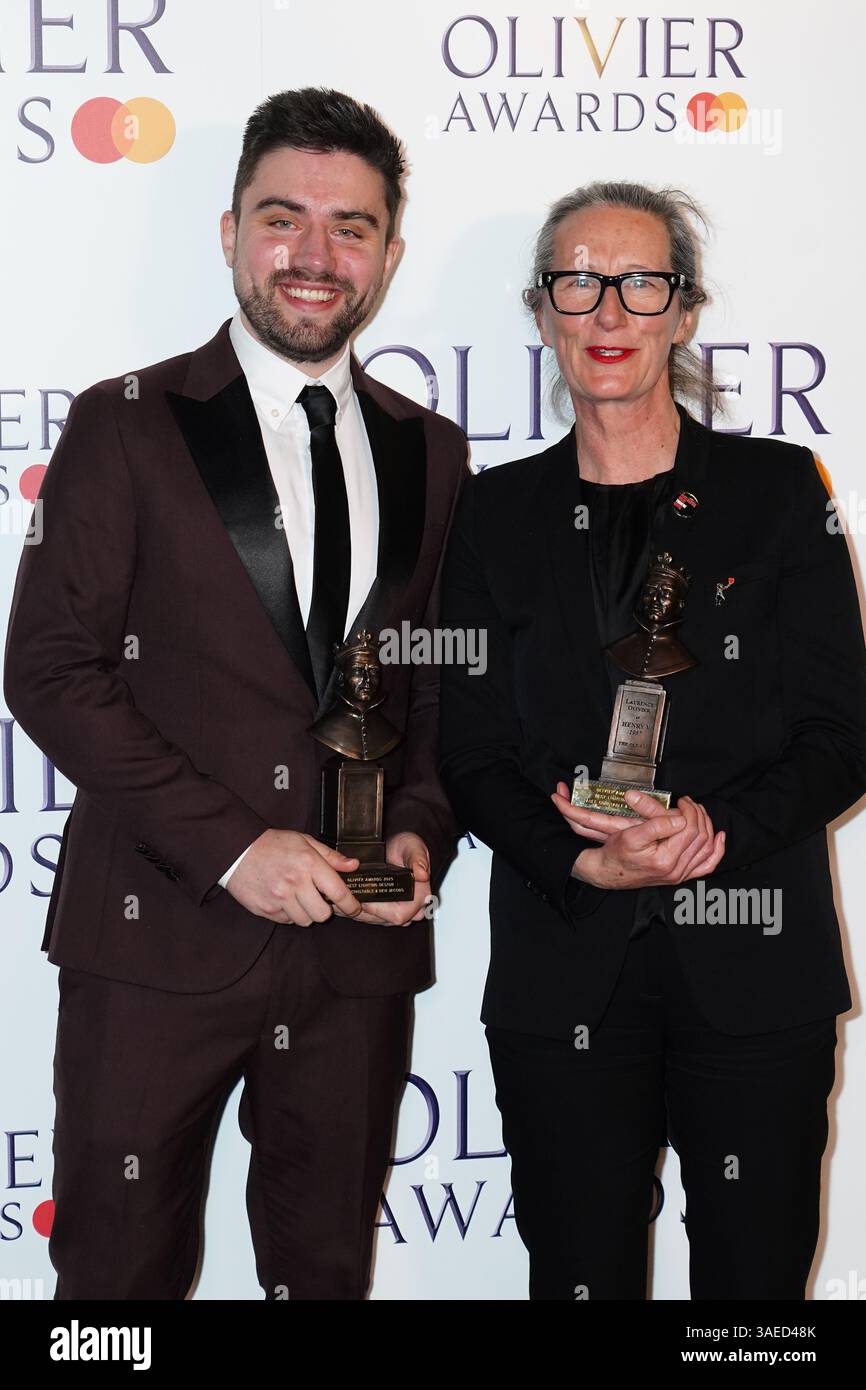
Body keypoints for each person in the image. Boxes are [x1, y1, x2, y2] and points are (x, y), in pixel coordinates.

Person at [3, 86, 468, 1300]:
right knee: (113, 1280)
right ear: (228, 233)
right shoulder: (127, 422)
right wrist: (233, 848)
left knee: (322, 1272)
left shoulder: (433, 446)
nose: (314, 256)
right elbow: (49, 667)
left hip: (355, 961)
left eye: (350, 227)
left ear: (389, 255)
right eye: (283, 218)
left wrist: (418, 829)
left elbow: (428, 677)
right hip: (159, 932)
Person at [438, 180, 866, 1300]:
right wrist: (576, 852)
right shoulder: (492, 514)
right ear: (541, 313)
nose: (607, 311)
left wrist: (712, 829)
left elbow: (841, 730)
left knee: (753, 1295)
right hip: (561, 957)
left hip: (752, 959)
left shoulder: (778, 491)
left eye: (640, 282)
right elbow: (469, 745)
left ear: (682, 310)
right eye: (576, 283)